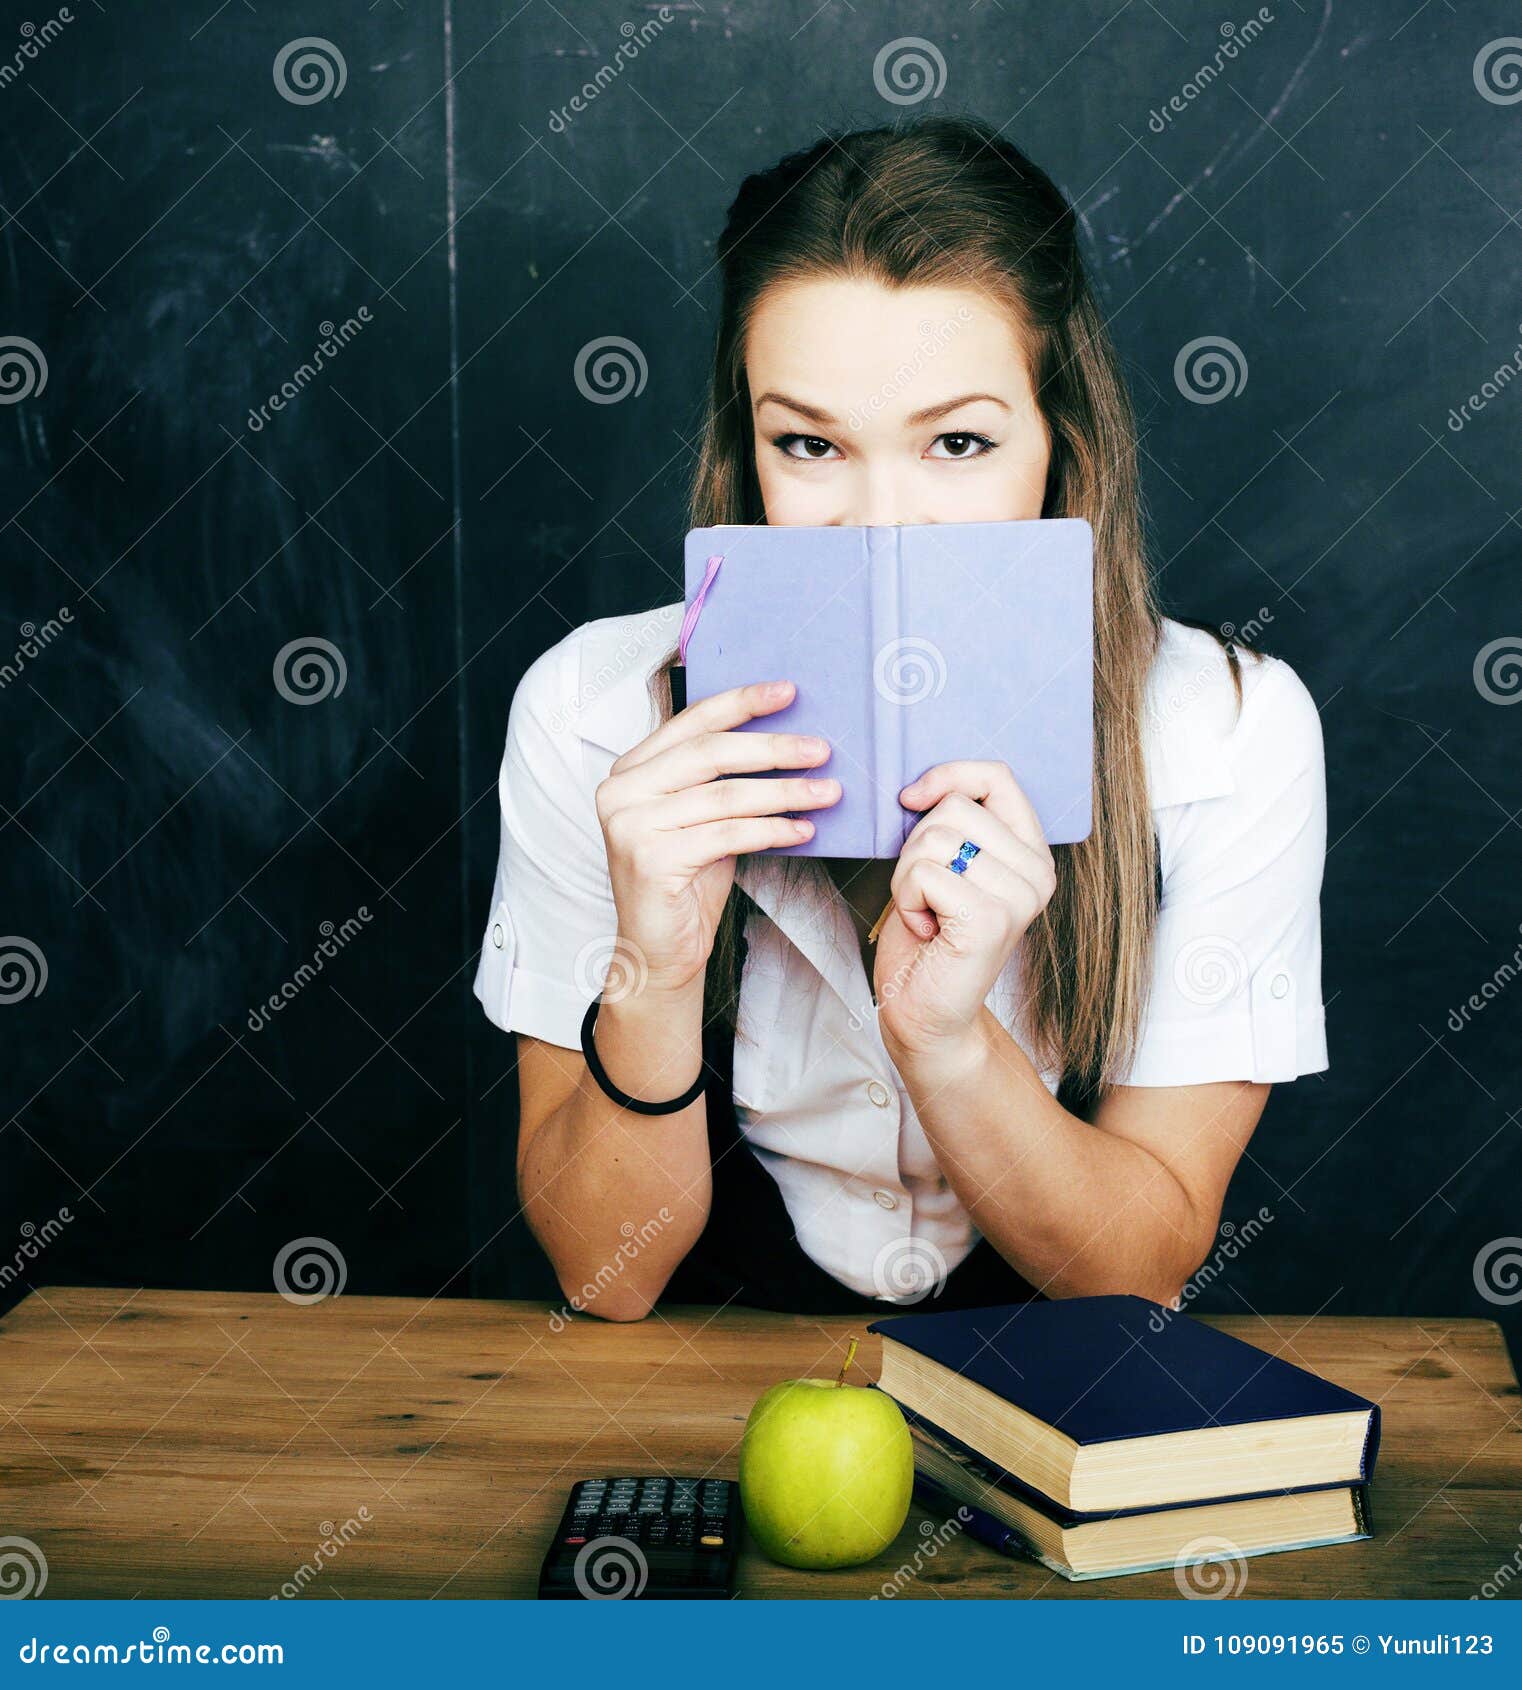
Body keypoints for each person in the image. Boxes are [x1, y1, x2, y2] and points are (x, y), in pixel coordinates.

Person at [473, 116, 1327, 1319]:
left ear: (1058, 448)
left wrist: (946, 1039)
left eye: (959, 441)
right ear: (747, 452)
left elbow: (1137, 1270)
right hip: (696, 1410)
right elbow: (601, 1274)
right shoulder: (592, 708)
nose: (884, 525)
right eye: (810, 442)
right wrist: (653, 973)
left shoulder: (1227, 732)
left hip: (1056, 1427)